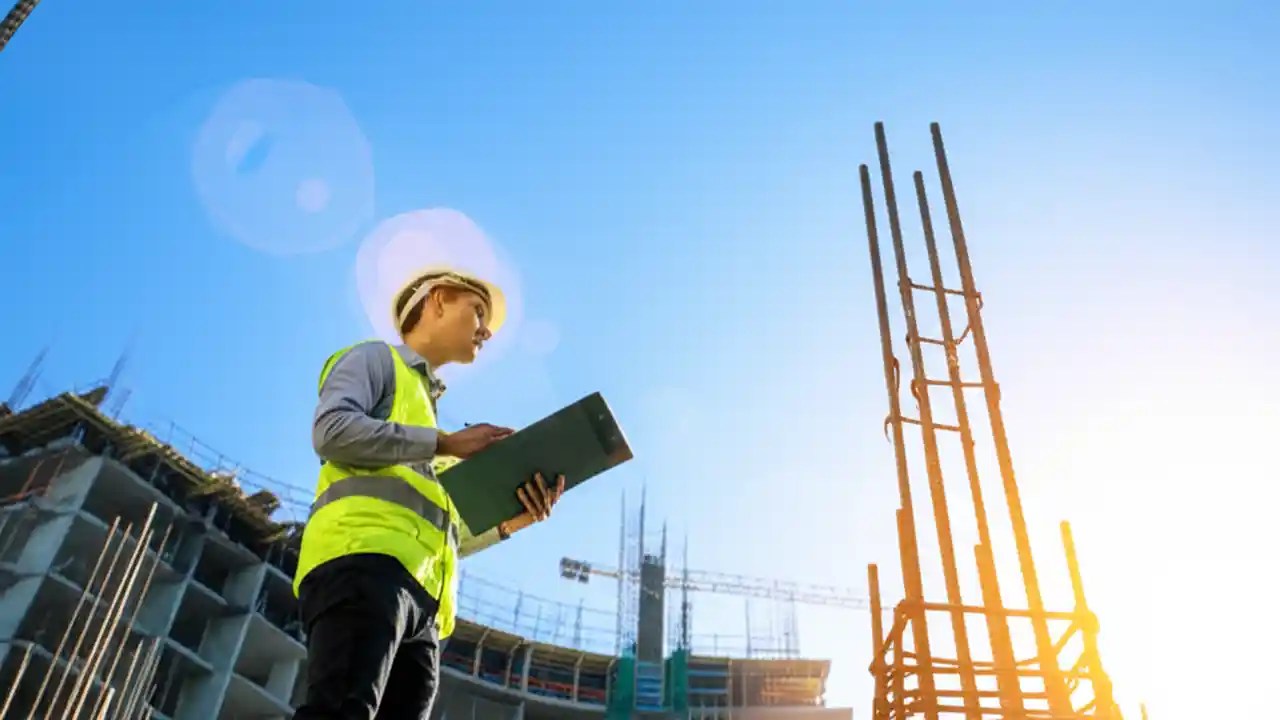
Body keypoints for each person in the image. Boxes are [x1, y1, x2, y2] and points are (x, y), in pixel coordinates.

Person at [292, 265, 566, 719]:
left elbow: (441, 531)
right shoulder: (375, 361)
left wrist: (512, 521)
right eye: (478, 312)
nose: (485, 332)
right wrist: (444, 443)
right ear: (438, 299)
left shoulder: (426, 414)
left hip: (425, 607)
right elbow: (332, 431)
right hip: (364, 563)